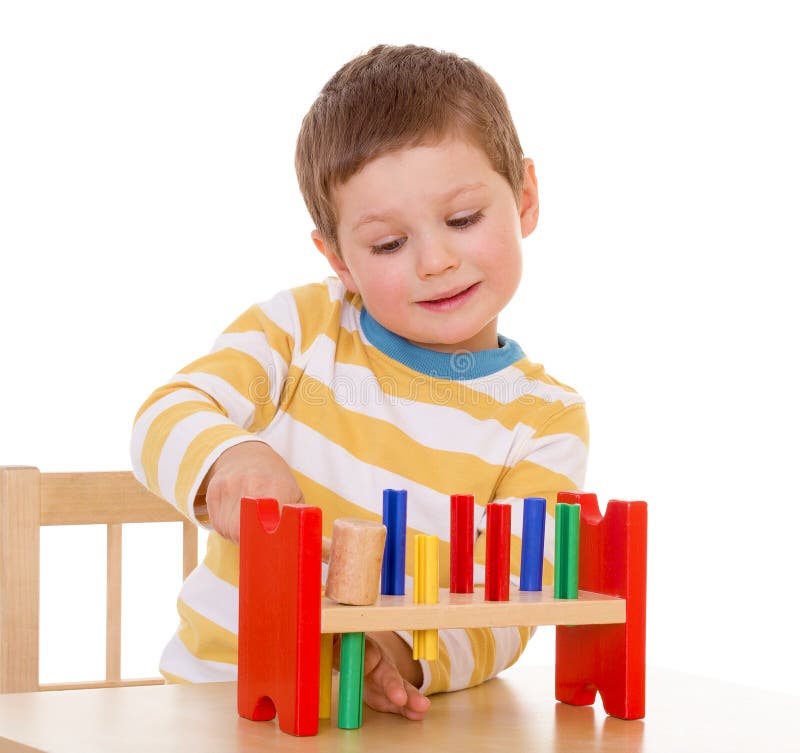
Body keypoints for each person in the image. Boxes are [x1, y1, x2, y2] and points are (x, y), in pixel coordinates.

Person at [130, 43, 588, 721]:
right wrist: (231, 455)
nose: (435, 260)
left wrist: (400, 653)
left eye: (462, 220)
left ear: (525, 198)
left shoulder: (545, 420)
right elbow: (166, 414)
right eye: (387, 244)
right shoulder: (300, 328)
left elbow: (513, 603)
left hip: (375, 723)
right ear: (338, 257)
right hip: (216, 701)